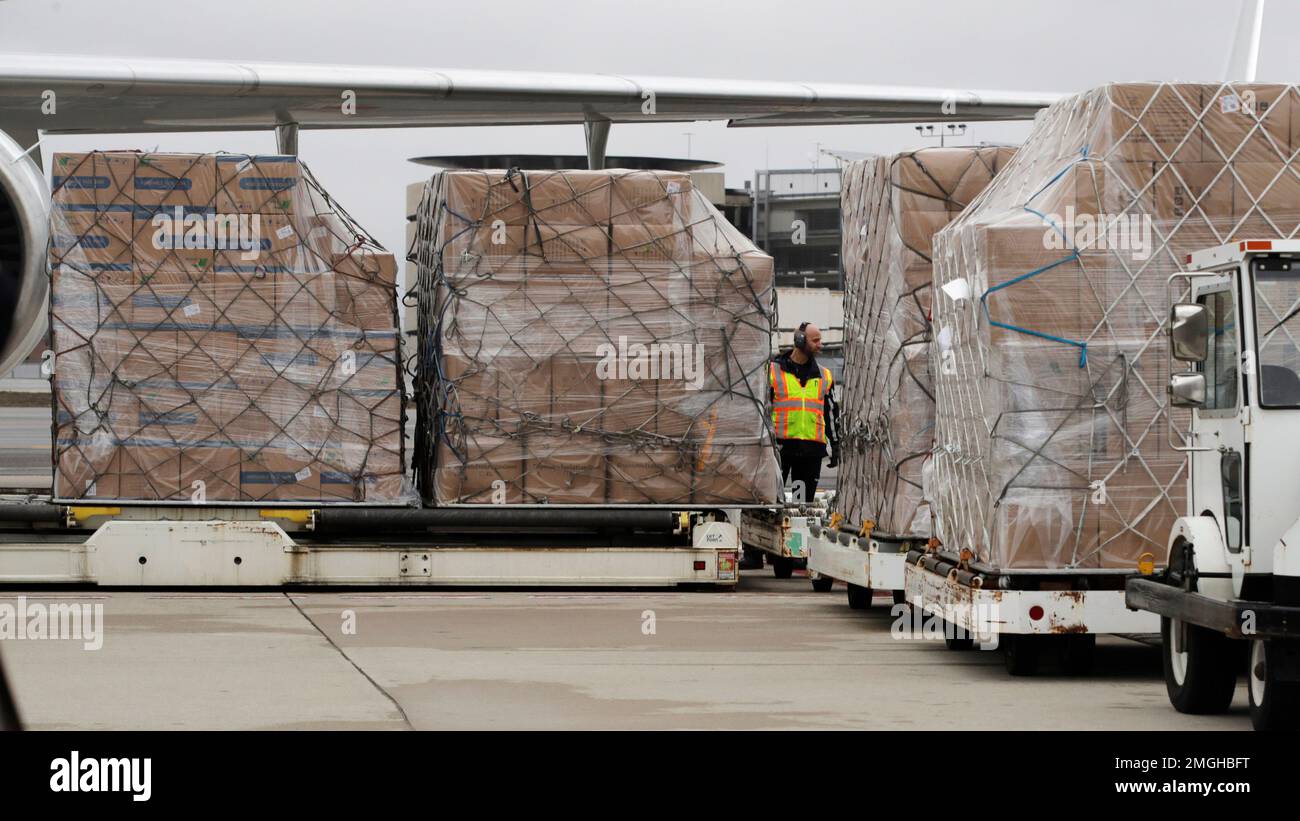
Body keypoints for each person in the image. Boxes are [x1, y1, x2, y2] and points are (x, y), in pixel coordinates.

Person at [769, 321, 839, 504]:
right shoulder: (773, 372)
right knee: (772, 502)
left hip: (810, 451)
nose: (820, 345)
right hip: (781, 448)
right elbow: (762, 410)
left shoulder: (824, 376)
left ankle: (795, 532)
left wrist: (836, 444)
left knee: (802, 505)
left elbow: (830, 412)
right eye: (815, 340)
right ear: (800, 341)